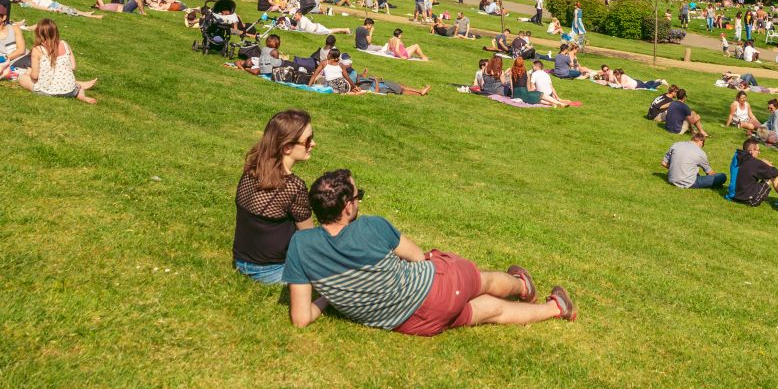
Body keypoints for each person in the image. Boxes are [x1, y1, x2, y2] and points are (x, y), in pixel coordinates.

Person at [282, 168, 576, 332]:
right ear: (347, 206)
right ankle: (522, 286)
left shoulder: (300, 246)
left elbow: (300, 318)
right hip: (433, 290)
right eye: (358, 196)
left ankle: (556, 309)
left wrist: (328, 299)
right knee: (477, 278)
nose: (360, 201)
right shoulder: (371, 227)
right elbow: (418, 256)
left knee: (489, 311)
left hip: (410, 323)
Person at [232, 110, 317, 284]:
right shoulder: (293, 187)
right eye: (308, 140)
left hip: (241, 261)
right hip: (272, 270)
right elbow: (310, 237)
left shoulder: (251, 171)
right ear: (287, 147)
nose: (313, 144)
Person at [15, 18, 97, 102]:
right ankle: (82, 97)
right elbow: (73, 67)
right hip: (70, 90)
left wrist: (31, 73)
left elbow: (35, 76)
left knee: (23, 78)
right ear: (55, 32)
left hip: (47, 91)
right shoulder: (64, 44)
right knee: (77, 88)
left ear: (38, 33)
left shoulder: (38, 50)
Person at [731, 136, 778, 206]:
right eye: (758, 150)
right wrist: (768, 164)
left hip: (734, 195)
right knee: (772, 176)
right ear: (751, 151)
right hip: (750, 200)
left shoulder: (737, 158)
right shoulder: (755, 163)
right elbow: (775, 172)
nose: (759, 153)